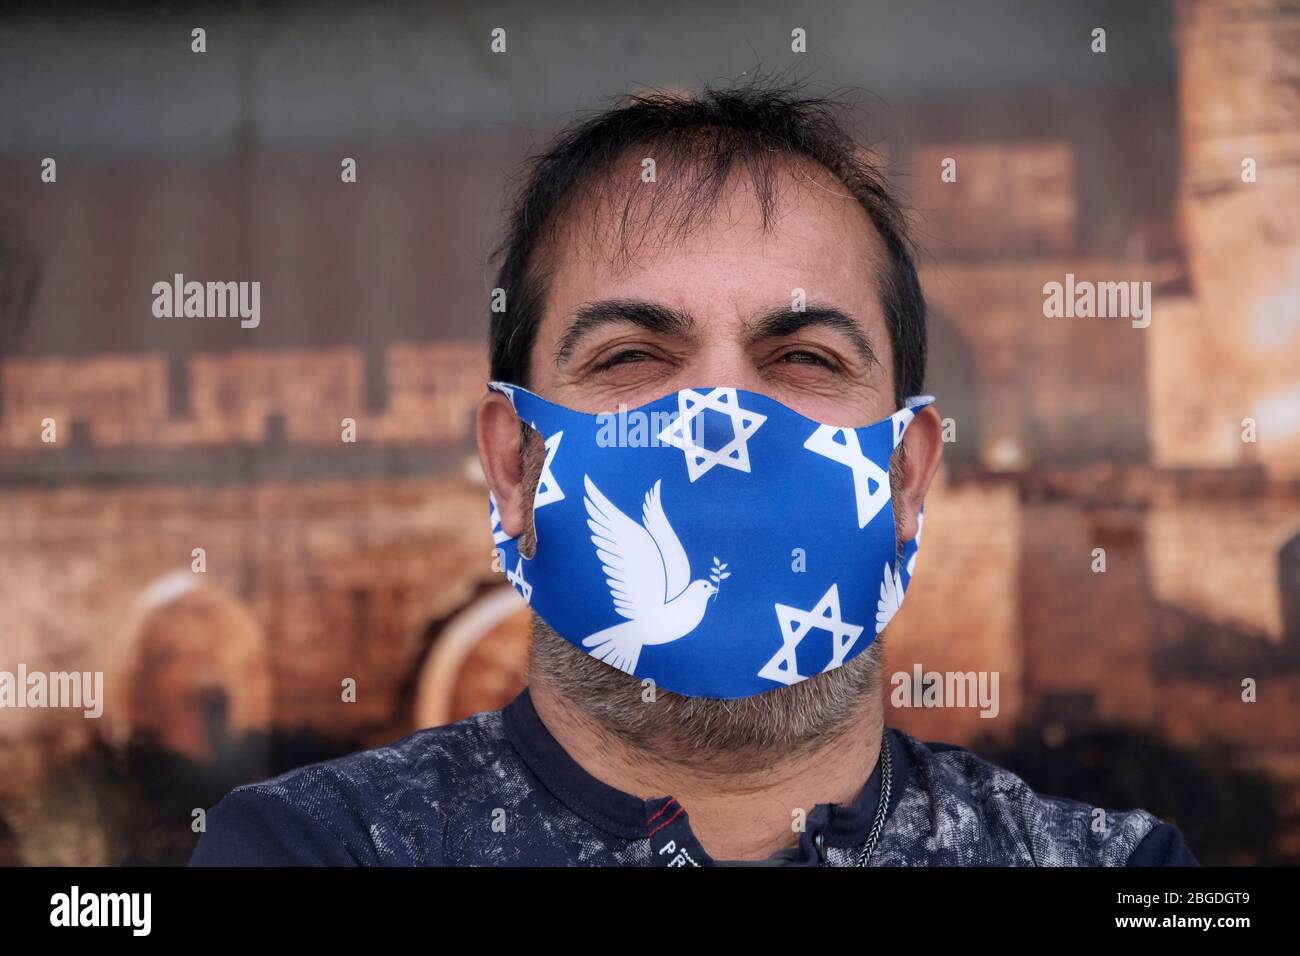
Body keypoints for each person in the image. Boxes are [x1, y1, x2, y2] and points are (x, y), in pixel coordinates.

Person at [190, 79, 1197, 867]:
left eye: (803, 359)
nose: (726, 422)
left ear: (906, 474)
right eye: (631, 357)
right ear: (511, 462)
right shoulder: (311, 850)